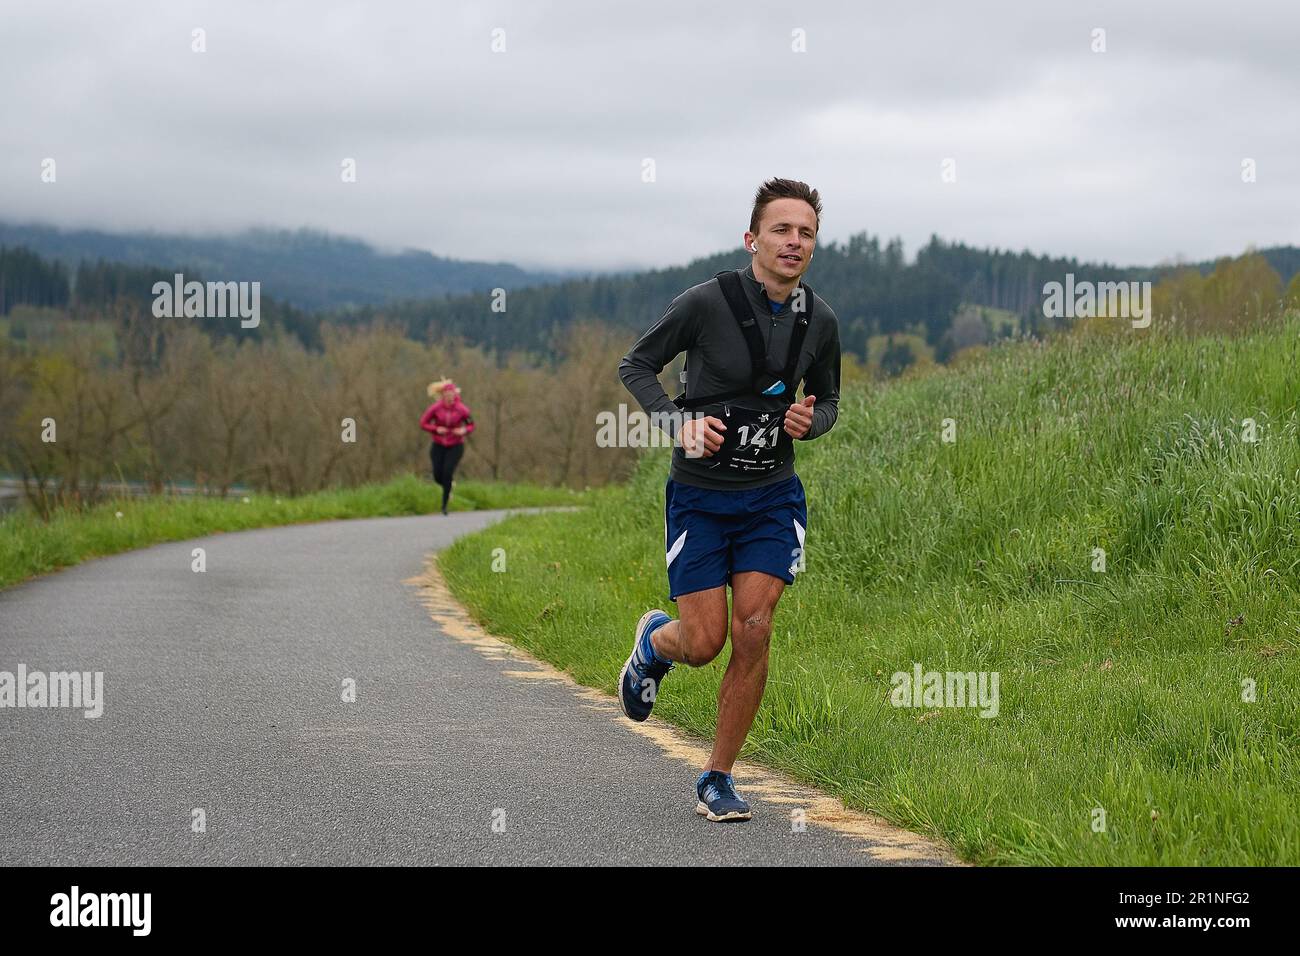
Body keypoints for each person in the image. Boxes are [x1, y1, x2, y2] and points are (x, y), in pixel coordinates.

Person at [616, 178, 842, 822]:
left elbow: (828, 402)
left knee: (754, 626)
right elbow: (636, 366)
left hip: (772, 498)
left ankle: (717, 776)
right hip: (700, 498)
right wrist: (677, 422)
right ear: (752, 239)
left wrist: (810, 421)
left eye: (805, 232)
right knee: (704, 641)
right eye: (781, 229)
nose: (793, 241)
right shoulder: (705, 303)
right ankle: (656, 645)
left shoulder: (820, 321)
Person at [419, 378, 475, 515]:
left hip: (456, 445)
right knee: (438, 475)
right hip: (438, 444)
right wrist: (436, 429)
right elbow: (423, 423)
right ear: (443, 395)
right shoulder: (435, 408)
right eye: (447, 395)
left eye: (452, 395)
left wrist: (463, 431)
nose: (450, 397)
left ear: (455, 395)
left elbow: (471, 424)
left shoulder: (462, 409)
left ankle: (444, 506)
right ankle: (448, 486)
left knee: (447, 472)